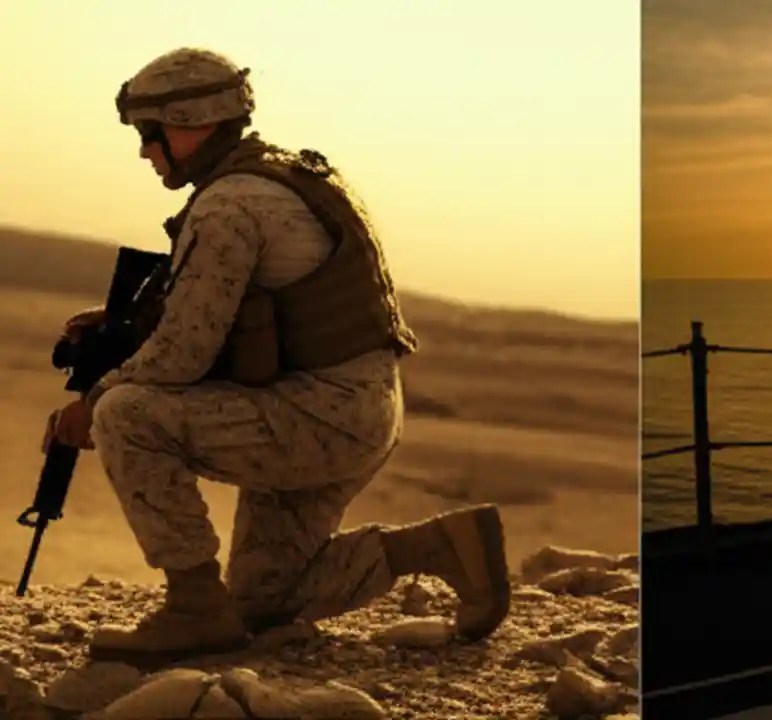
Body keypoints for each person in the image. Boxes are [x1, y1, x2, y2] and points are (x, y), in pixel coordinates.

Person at [42, 47, 511, 667]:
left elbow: (182, 355)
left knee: (127, 415)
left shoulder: (230, 204)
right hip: (347, 412)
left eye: (151, 136)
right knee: (264, 602)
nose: (145, 153)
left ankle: (191, 607)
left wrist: (93, 404)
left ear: (188, 123)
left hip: (315, 416)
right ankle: (440, 546)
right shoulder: (282, 178)